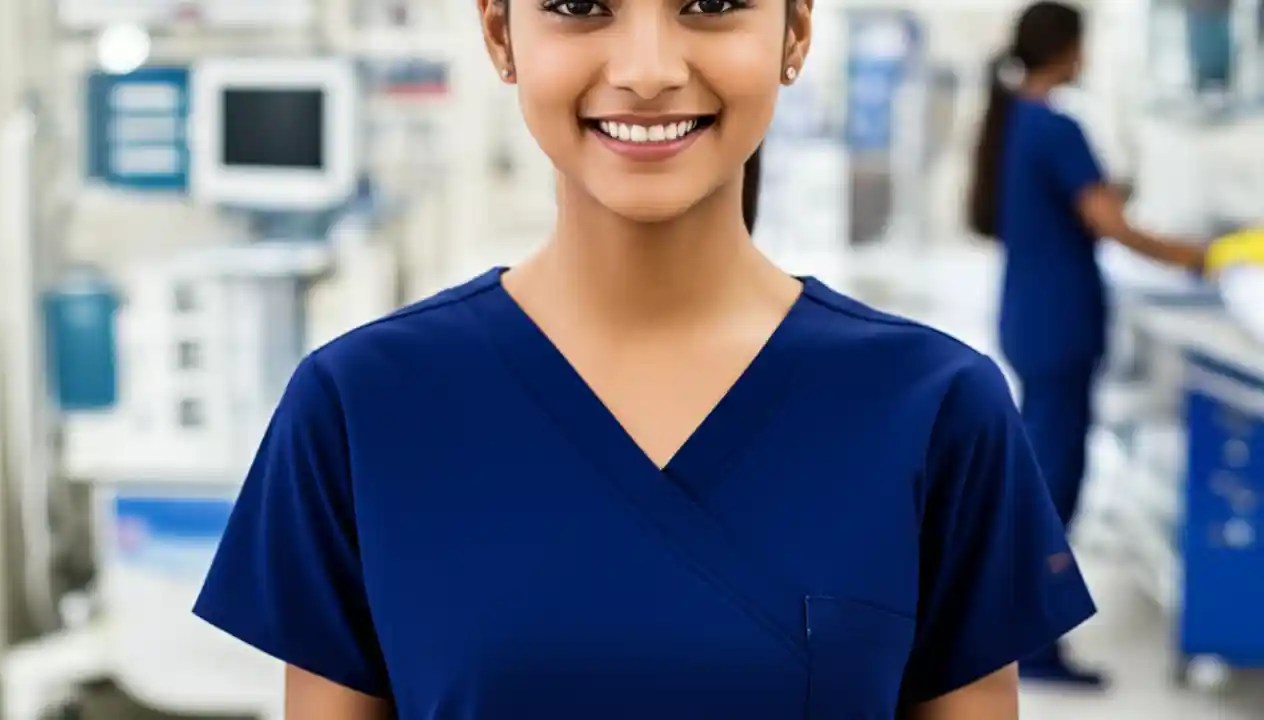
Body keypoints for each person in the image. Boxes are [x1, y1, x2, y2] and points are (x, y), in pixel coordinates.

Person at [194, 1, 1096, 717]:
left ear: (796, 31)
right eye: (581, 4)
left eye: (711, 2)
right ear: (501, 33)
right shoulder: (360, 411)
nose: (648, 70)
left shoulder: (935, 412)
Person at [968, 0, 1206, 688]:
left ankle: (1016, 632)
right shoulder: (1057, 123)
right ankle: (1029, 645)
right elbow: (1109, 222)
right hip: (1058, 325)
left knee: (1042, 474)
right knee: (1052, 484)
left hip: (1032, 319)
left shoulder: (1018, 118)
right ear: (1069, 49)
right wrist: (1198, 255)